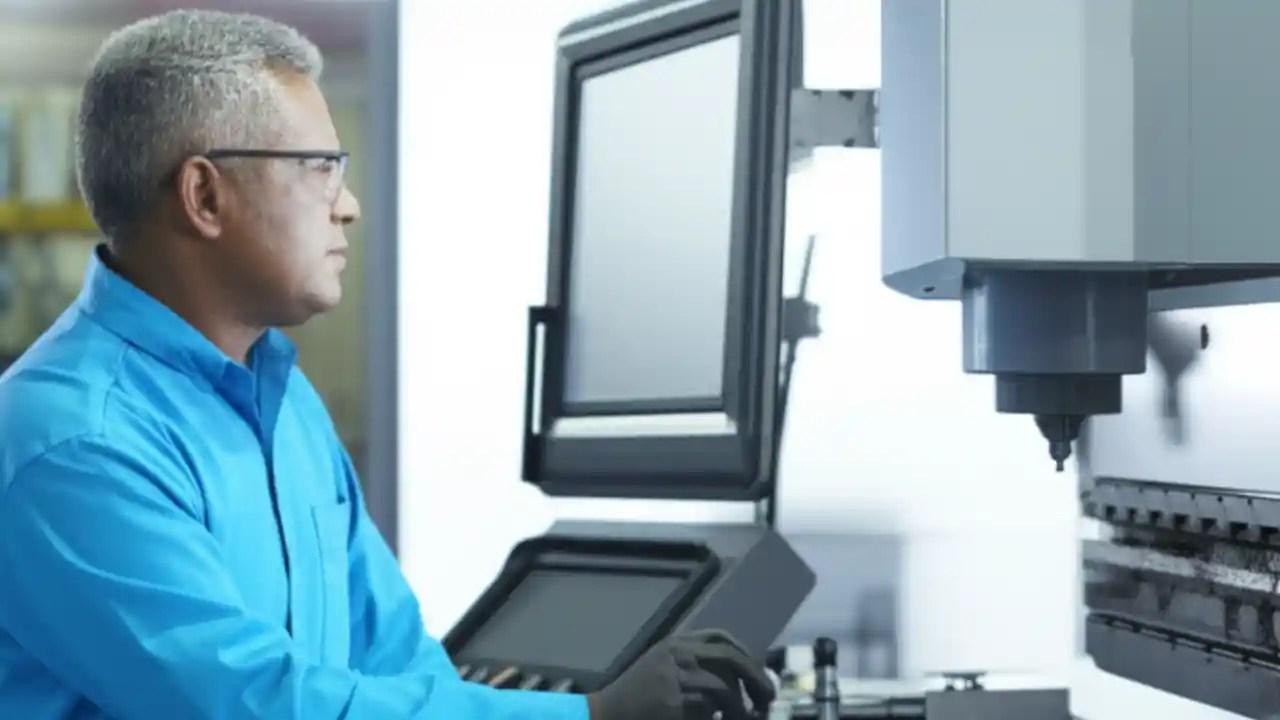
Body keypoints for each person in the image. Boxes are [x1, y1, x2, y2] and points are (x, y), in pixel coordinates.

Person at [0, 9, 774, 720]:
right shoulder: (72, 442)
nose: (348, 205)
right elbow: (254, 705)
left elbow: (400, 667)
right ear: (204, 195)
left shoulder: (284, 404)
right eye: (319, 167)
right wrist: (591, 716)